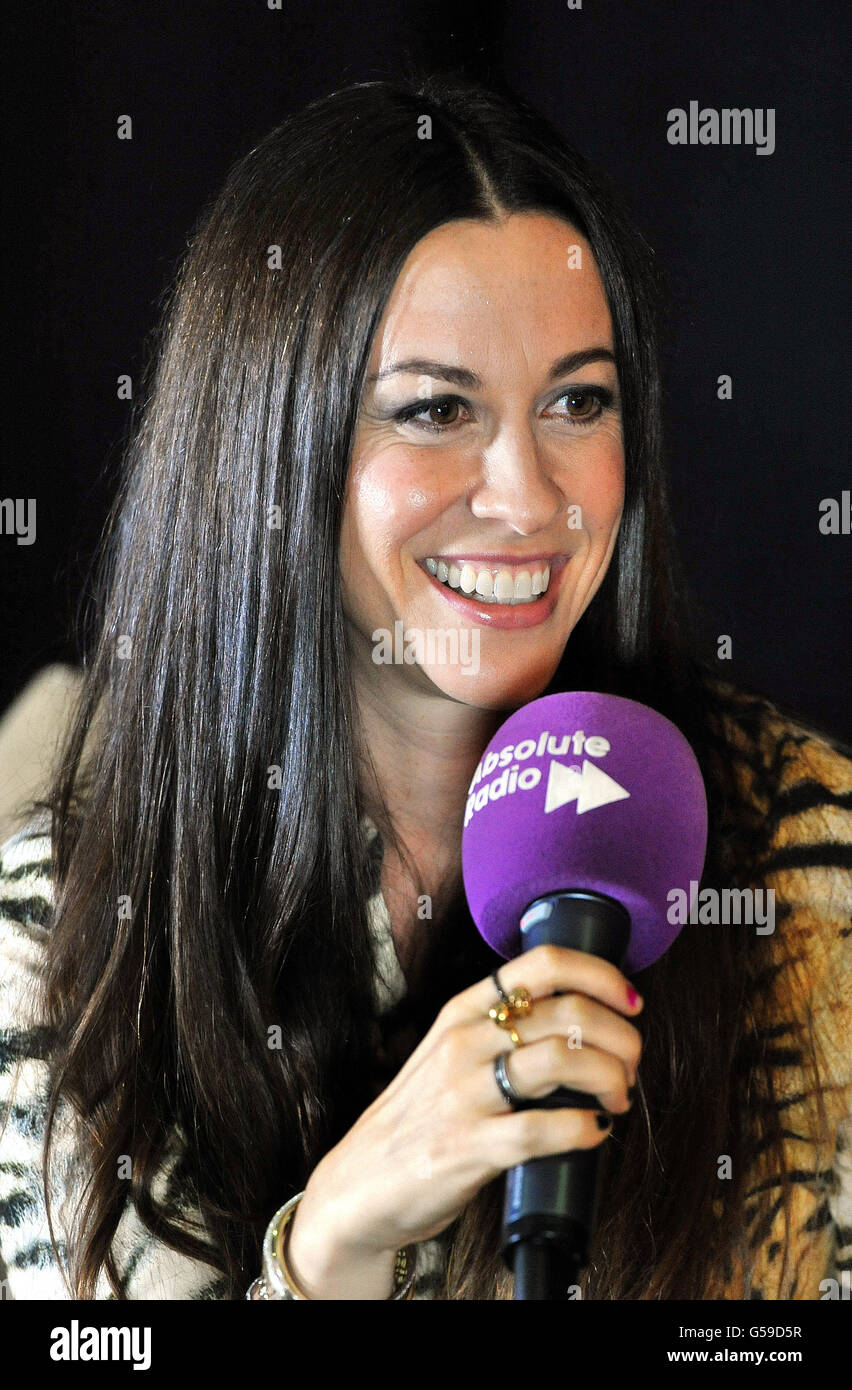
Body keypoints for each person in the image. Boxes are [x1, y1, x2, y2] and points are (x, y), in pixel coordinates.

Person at [1, 74, 850, 1303]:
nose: (527, 493)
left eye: (578, 400)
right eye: (436, 409)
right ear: (269, 444)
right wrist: (330, 1244)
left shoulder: (799, 857)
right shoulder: (63, 944)